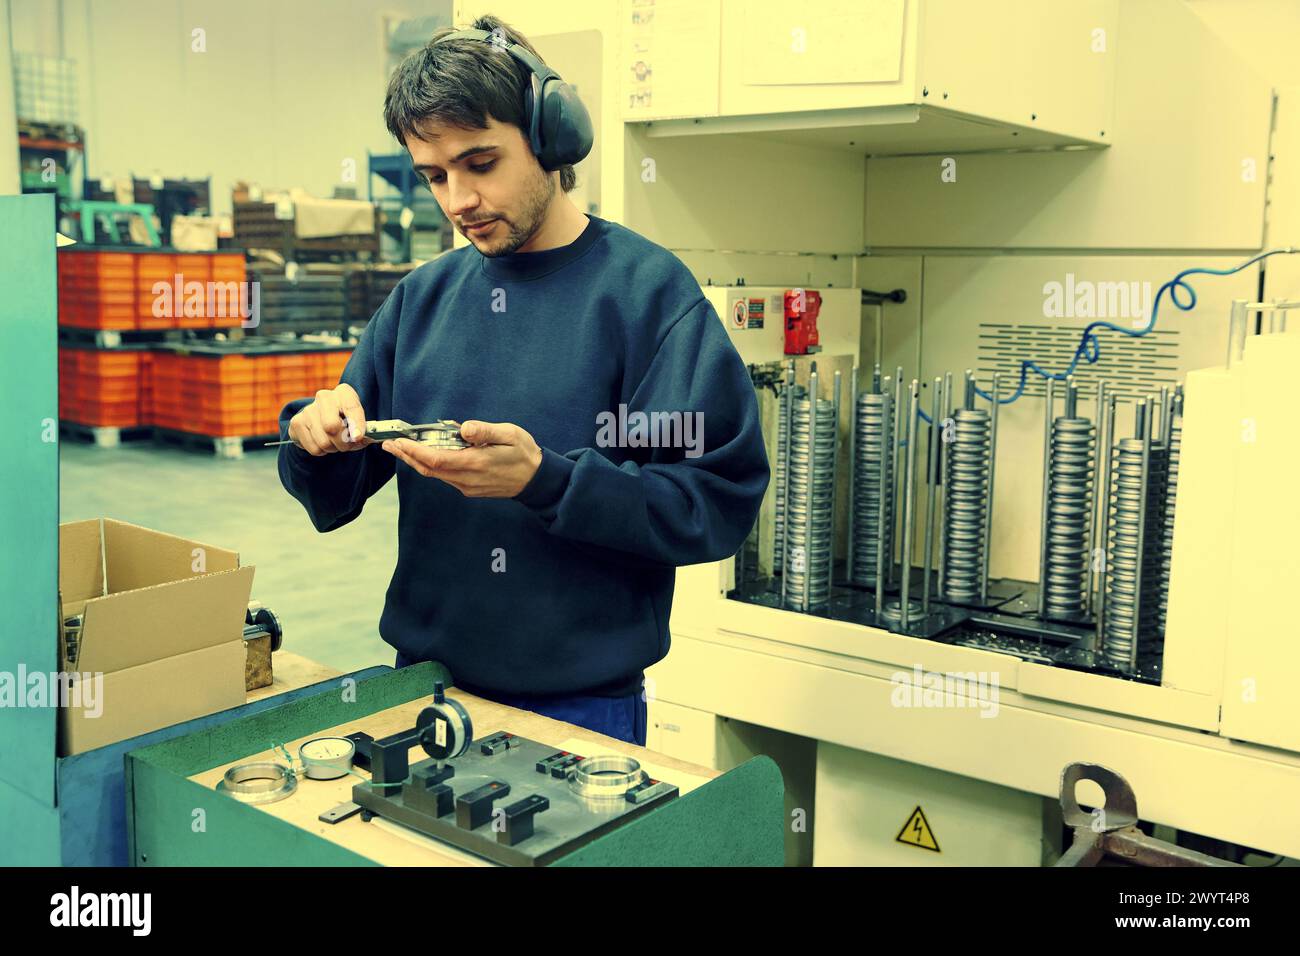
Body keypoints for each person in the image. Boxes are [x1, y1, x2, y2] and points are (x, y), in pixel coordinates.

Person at [277, 15, 769, 746]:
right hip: (423, 691)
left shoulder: (647, 298)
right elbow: (335, 490)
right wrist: (312, 438)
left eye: (480, 164)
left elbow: (711, 503)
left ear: (551, 140)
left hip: (580, 710)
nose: (457, 201)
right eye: (435, 176)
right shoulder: (422, 299)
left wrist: (547, 482)